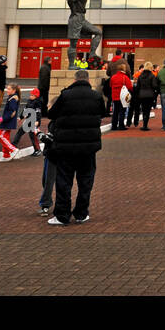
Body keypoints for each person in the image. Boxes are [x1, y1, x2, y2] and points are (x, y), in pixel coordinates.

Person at [43, 68, 104, 225]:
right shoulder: (96, 96)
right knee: (86, 182)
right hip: (88, 147)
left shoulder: (65, 95)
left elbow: (51, 114)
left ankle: (62, 215)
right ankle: (81, 213)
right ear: (88, 80)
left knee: (64, 182)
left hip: (66, 146)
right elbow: (102, 113)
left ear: (75, 80)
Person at [0, 84, 21, 160]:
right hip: (8, 121)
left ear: (14, 90)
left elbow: (12, 112)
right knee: (6, 137)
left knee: (1, 136)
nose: (7, 90)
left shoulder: (13, 99)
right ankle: (6, 155)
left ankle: (13, 149)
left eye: (9, 89)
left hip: (7, 121)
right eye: (7, 89)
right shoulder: (12, 97)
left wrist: (3, 119)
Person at [15, 87, 43, 152]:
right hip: (28, 120)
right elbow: (25, 110)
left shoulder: (38, 103)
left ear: (36, 96)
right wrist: (21, 117)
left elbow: (38, 112)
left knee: (32, 136)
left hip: (34, 121)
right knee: (20, 131)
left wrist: (37, 121)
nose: (31, 96)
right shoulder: (29, 101)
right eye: (30, 95)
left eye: (32, 95)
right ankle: (13, 144)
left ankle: (37, 150)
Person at [133, 62, 158, 130]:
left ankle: (144, 125)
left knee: (144, 110)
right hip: (150, 95)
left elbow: (138, 86)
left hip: (142, 94)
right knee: (148, 110)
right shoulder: (152, 76)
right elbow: (154, 86)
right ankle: (145, 125)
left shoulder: (140, 75)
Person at [107, 60, 131, 130]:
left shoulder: (113, 77)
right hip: (122, 97)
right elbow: (129, 87)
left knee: (115, 111)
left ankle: (114, 125)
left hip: (115, 96)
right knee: (122, 111)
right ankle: (121, 125)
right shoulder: (125, 77)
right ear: (124, 69)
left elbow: (110, 85)